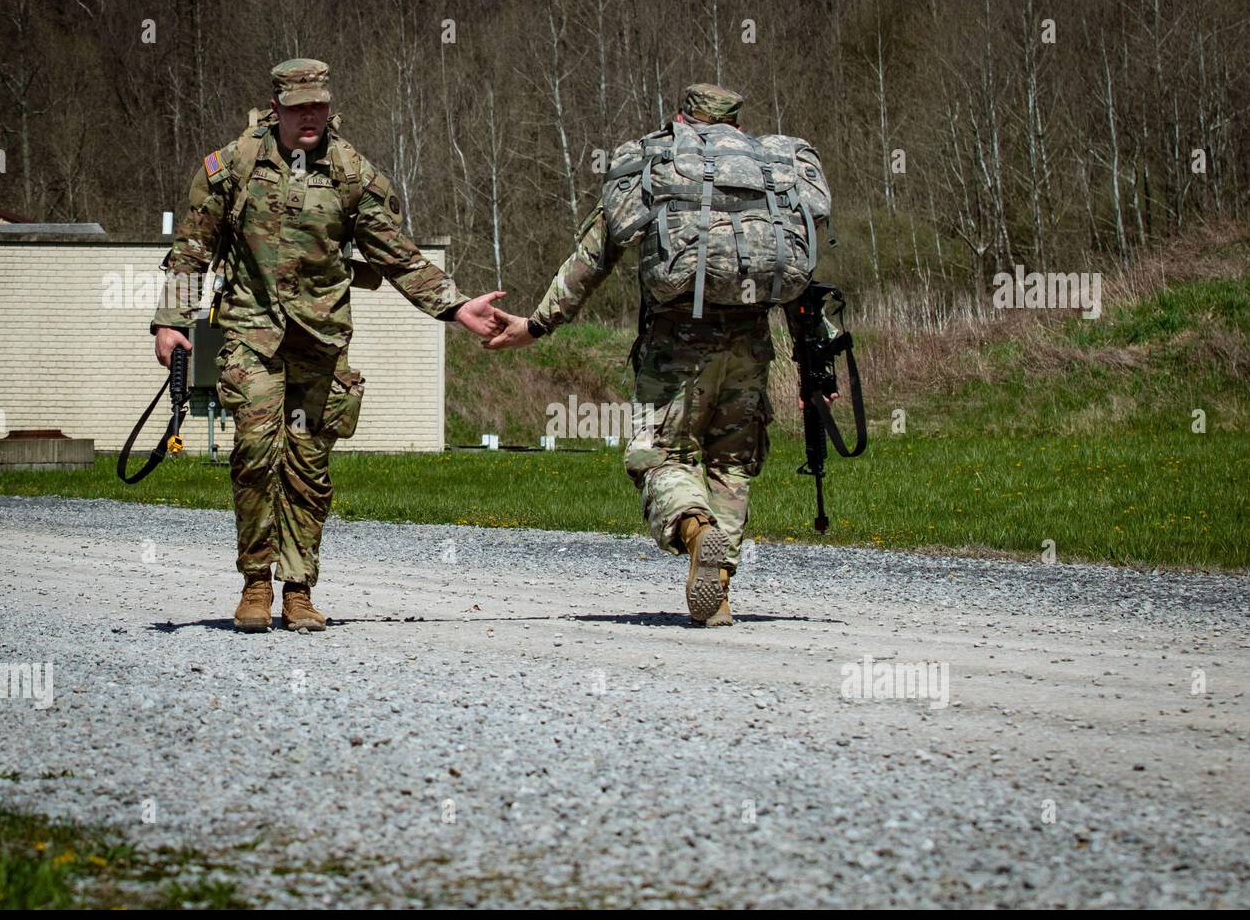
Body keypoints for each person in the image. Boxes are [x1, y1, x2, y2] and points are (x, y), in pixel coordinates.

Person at [151, 58, 505, 632]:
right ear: (278, 109)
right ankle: (255, 585)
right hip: (251, 335)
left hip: (320, 340)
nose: (310, 115)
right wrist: (171, 321)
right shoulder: (233, 166)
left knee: (308, 468)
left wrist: (457, 306)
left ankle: (298, 591)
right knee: (255, 456)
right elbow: (194, 246)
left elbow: (397, 255)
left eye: (318, 104)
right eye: (299, 107)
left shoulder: (350, 173)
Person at [488, 84, 832, 627]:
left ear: (682, 117)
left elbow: (594, 256)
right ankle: (716, 591)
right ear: (737, 123)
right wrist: (813, 367)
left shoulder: (660, 161)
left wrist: (537, 324)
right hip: (752, 343)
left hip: (677, 344)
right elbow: (798, 271)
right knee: (731, 463)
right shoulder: (774, 171)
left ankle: (697, 532)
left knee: (658, 457)